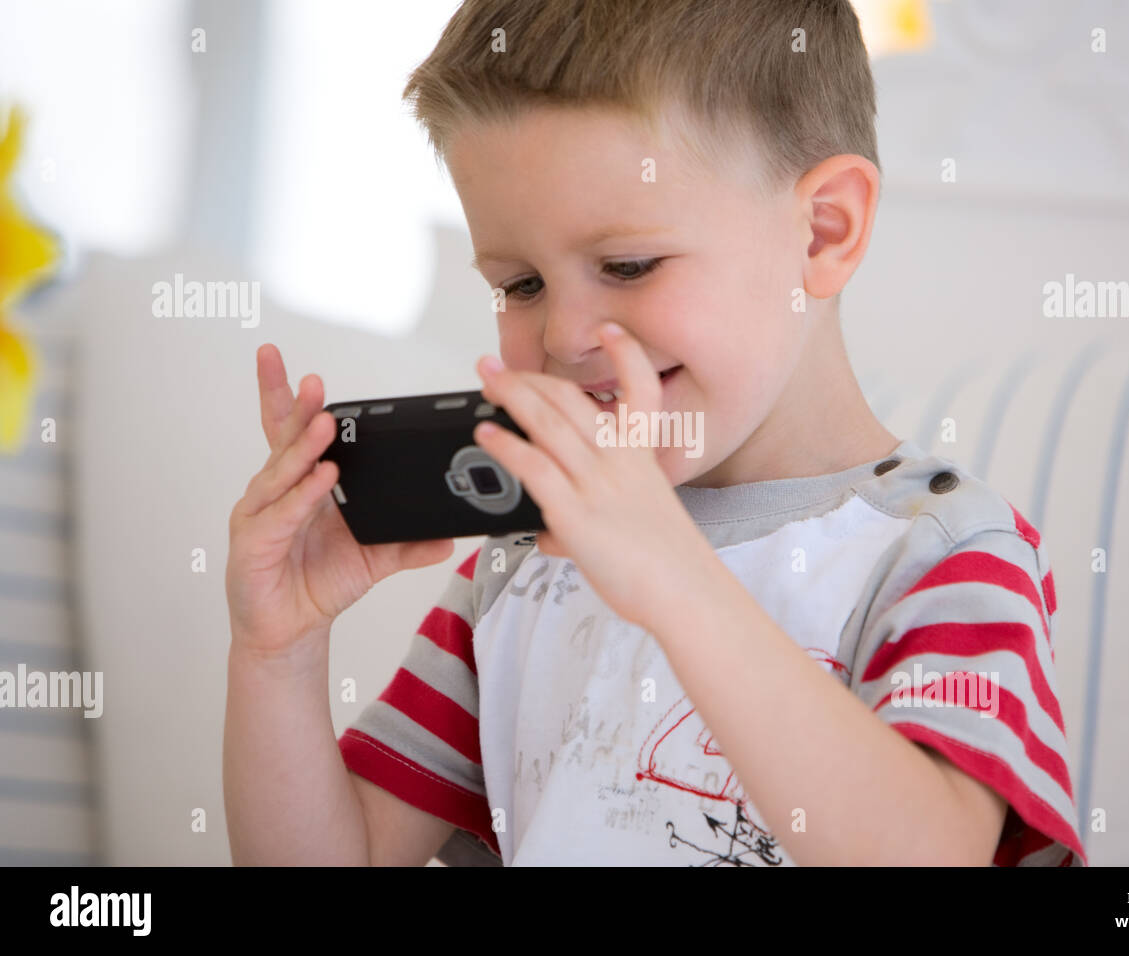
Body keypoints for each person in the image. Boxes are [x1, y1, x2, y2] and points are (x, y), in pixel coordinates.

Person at [223, 0, 1085, 867]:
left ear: (823, 230)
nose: (563, 337)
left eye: (627, 266)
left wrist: (670, 571)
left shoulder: (943, 557)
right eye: (521, 285)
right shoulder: (522, 568)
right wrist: (279, 653)